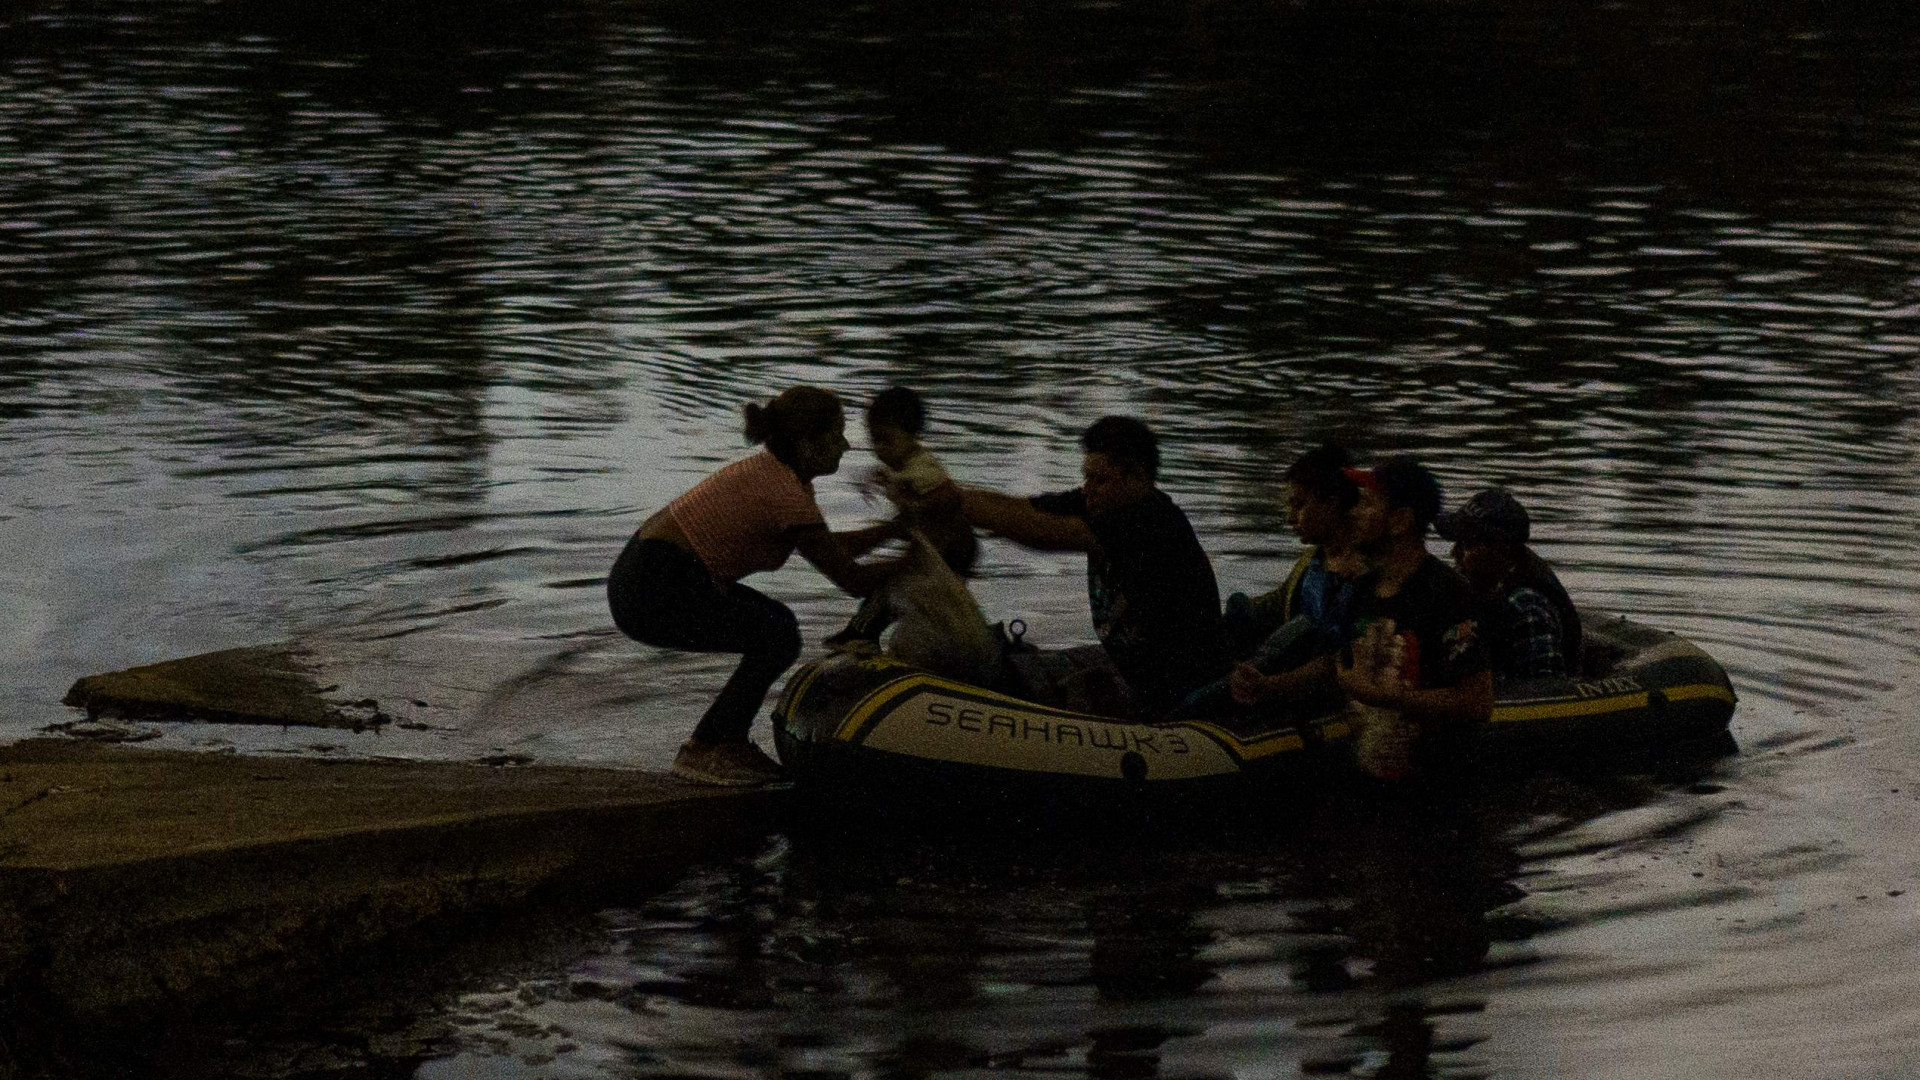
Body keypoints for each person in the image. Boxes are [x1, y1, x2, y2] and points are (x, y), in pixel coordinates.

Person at [607, 386, 903, 787]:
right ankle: (707, 747)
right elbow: (850, 578)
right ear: (808, 444)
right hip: (653, 585)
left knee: (775, 627)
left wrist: (896, 530)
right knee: (776, 633)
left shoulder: (781, 478)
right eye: (837, 434)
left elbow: (828, 547)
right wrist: (913, 561)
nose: (846, 445)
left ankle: (723, 742)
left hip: (648, 577)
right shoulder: (782, 492)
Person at [958, 416, 1227, 717]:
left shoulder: (1150, 523)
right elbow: (1020, 508)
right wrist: (949, 497)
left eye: (1100, 480)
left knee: (1011, 688)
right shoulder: (1100, 501)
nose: (1088, 489)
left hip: (1168, 689)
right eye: (1087, 478)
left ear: (1137, 477)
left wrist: (957, 507)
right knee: (1006, 668)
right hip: (1126, 664)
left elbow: (1040, 533)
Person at [1332, 457, 1493, 786]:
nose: (1353, 513)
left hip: (1434, 789)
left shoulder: (1446, 593)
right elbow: (1343, 664)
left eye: (1367, 505)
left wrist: (1384, 697)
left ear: (1400, 520)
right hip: (1366, 778)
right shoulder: (1359, 588)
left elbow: (1477, 702)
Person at [826, 385, 978, 648]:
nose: (880, 449)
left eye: (886, 440)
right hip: (940, 545)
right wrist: (879, 480)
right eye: (874, 440)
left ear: (913, 436)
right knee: (918, 598)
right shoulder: (903, 465)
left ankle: (862, 634)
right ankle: (873, 635)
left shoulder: (923, 468)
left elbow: (951, 496)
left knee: (891, 588)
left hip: (950, 548)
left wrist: (917, 508)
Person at [1435, 488, 1582, 681]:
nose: (1456, 554)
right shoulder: (1477, 586)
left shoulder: (1526, 606)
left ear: (1499, 549)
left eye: (1466, 544)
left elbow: (1545, 687)